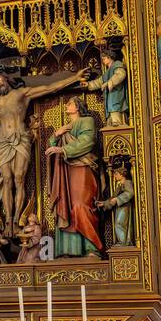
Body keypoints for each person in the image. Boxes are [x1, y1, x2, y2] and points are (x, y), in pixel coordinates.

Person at [0, 63, 89, 236]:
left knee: (19, 179)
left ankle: (18, 220)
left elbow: (50, 87)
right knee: (7, 179)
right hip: (4, 142)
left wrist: (75, 78)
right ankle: (8, 221)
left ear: (5, 76)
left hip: (21, 139)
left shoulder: (22, 93)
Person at [47, 96, 104, 258]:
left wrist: (62, 150)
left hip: (83, 167)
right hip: (65, 170)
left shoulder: (87, 121)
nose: (66, 105)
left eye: (70, 103)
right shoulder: (65, 127)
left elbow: (87, 141)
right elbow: (52, 147)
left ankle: (92, 247)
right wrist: (55, 136)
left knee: (81, 205)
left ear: (78, 107)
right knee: (66, 206)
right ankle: (70, 250)